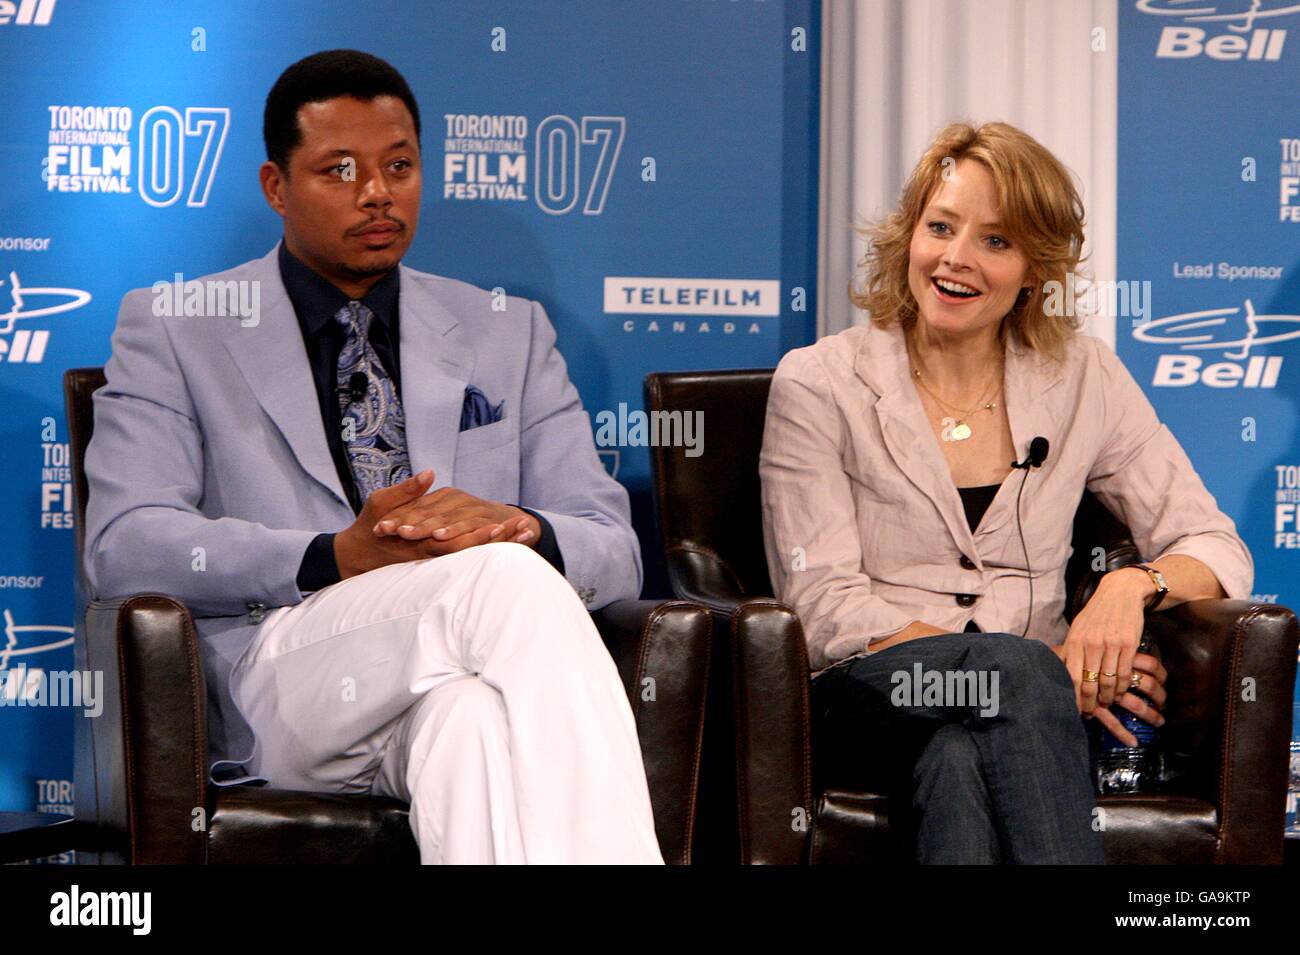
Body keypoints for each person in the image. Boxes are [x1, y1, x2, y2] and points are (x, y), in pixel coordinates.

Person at [83, 49, 663, 864]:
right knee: (502, 577)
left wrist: (520, 524)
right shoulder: (177, 326)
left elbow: (613, 544)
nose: (378, 192)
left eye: (400, 165)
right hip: (281, 674)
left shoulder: (507, 330)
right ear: (276, 188)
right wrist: (331, 556)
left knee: (470, 726)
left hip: (446, 671)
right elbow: (124, 543)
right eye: (340, 170)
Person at [759, 121, 1253, 864]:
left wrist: (1130, 587)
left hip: (1014, 714)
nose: (956, 259)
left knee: (955, 762)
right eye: (941, 227)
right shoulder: (820, 381)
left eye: (996, 240)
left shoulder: (1084, 377)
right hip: (866, 693)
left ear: (1036, 269)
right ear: (909, 237)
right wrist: (1053, 672)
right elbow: (827, 607)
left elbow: (1217, 547)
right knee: (1011, 676)